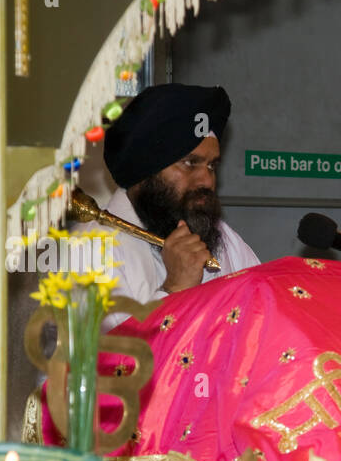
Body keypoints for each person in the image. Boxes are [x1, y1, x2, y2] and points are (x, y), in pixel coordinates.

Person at [87, 82, 261, 305]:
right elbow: (106, 339)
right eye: (190, 163)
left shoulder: (223, 238)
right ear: (145, 171)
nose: (207, 181)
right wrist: (174, 290)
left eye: (212, 166)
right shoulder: (93, 250)